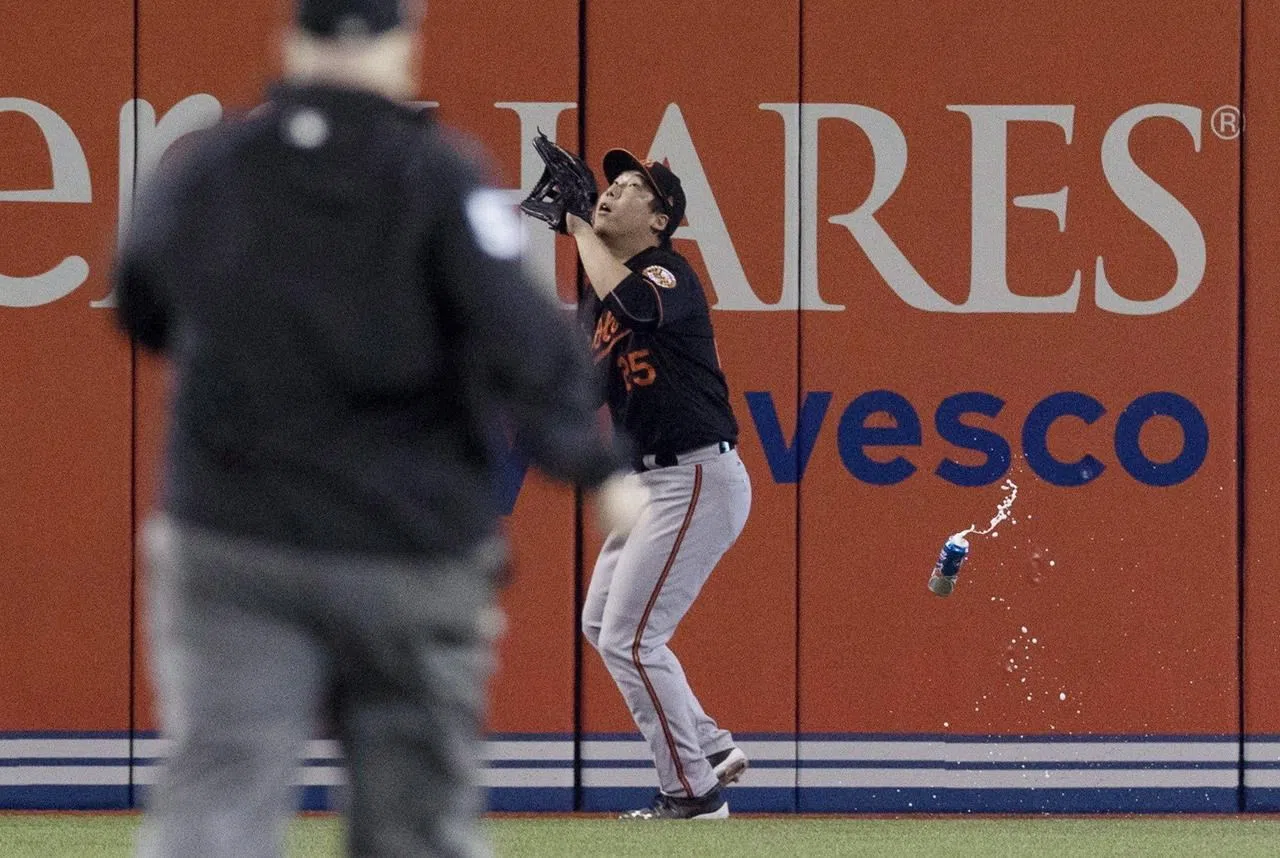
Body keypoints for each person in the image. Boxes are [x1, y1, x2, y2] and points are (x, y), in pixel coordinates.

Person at [114, 1, 641, 855]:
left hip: (238, 535)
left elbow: (141, 304)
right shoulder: (440, 177)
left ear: (292, 45)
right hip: (410, 539)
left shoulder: (210, 170)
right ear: (403, 48)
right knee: (416, 827)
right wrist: (590, 465)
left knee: (217, 801)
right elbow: (522, 334)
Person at [567, 151, 753, 820]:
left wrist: (582, 233)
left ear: (660, 217)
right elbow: (582, 382)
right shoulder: (608, 290)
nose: (610, 194)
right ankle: (709, 747)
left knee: (631, 638)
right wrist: (578, 241)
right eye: (606, 188)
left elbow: (637, 304)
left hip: (695, 472)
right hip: (654, 484)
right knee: (602, 624)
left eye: (628, 189)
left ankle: (693, 795)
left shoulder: (667, 271)